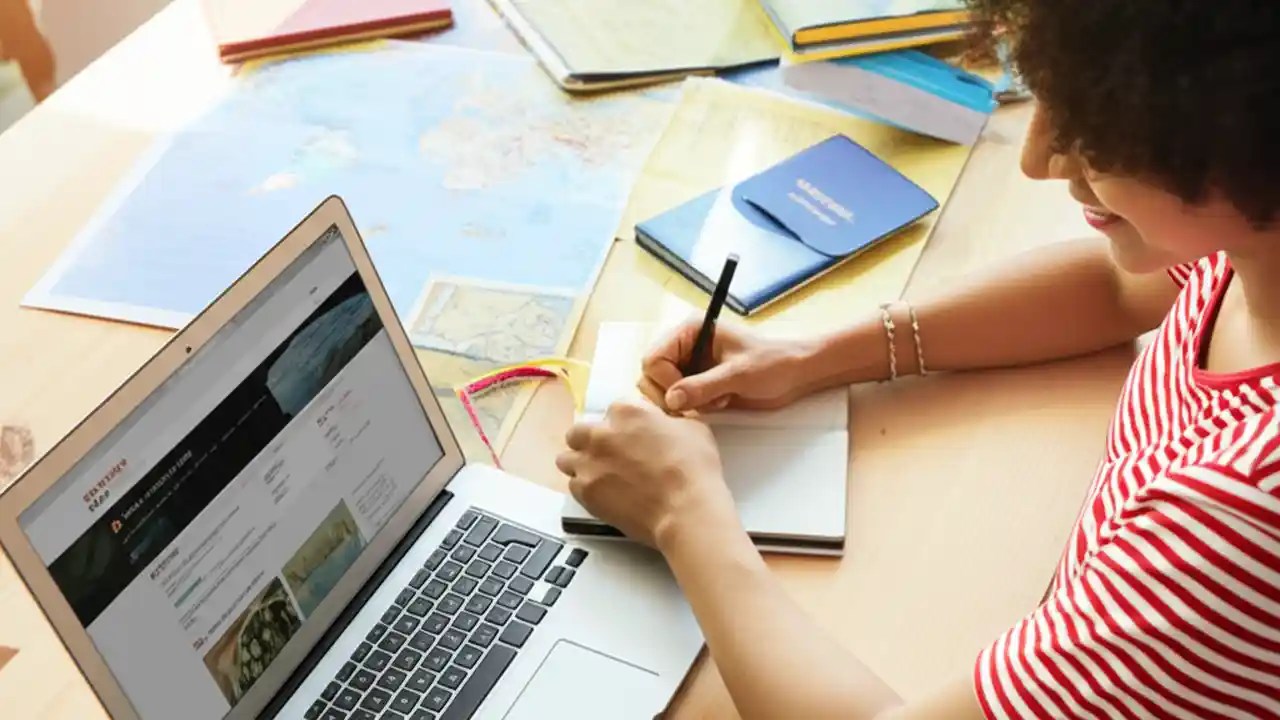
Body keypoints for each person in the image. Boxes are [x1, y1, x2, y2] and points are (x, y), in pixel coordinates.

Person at [555, 1, 1280, 718]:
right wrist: (820, 355)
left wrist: (685, 511)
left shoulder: (1230, 521)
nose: (1035, 160)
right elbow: (1124, 287)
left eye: (1098, 126)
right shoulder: (1243, 249)